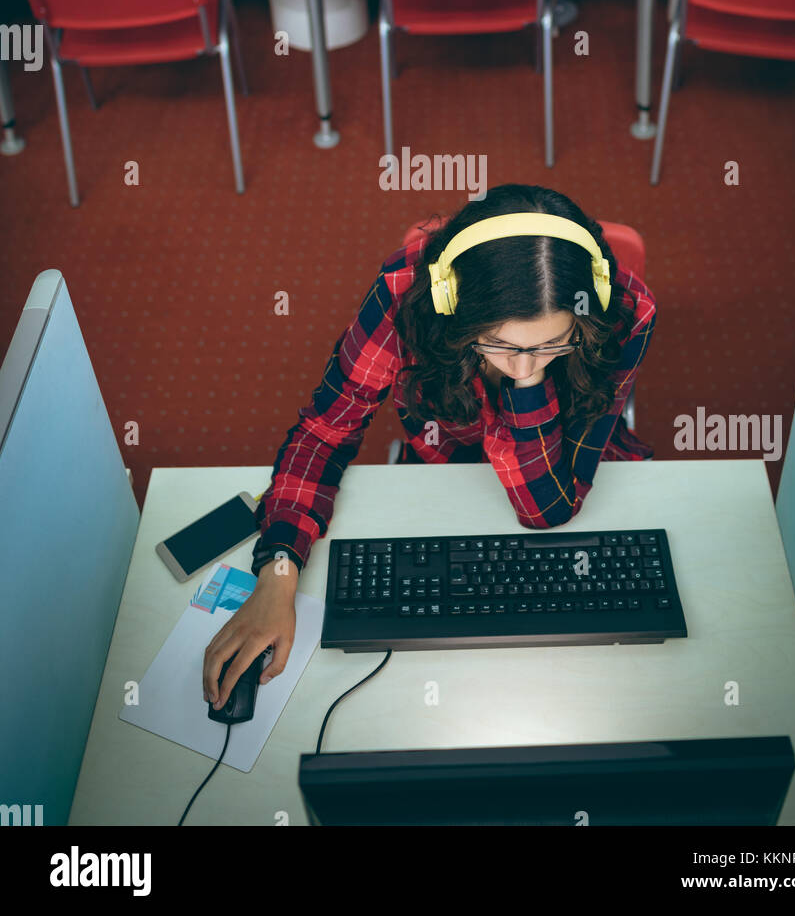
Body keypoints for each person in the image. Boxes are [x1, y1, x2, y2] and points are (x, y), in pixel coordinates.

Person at [203, 183, 656, 708]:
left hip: (562, 450)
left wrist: (524, 390)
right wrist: (277, 576)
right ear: (453, 308)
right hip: (443, 457)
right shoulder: (404, 295)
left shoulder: (625, 312)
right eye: (503, 344)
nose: (526, 367)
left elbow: (548, 509)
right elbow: (325, 433)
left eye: (551, 344)